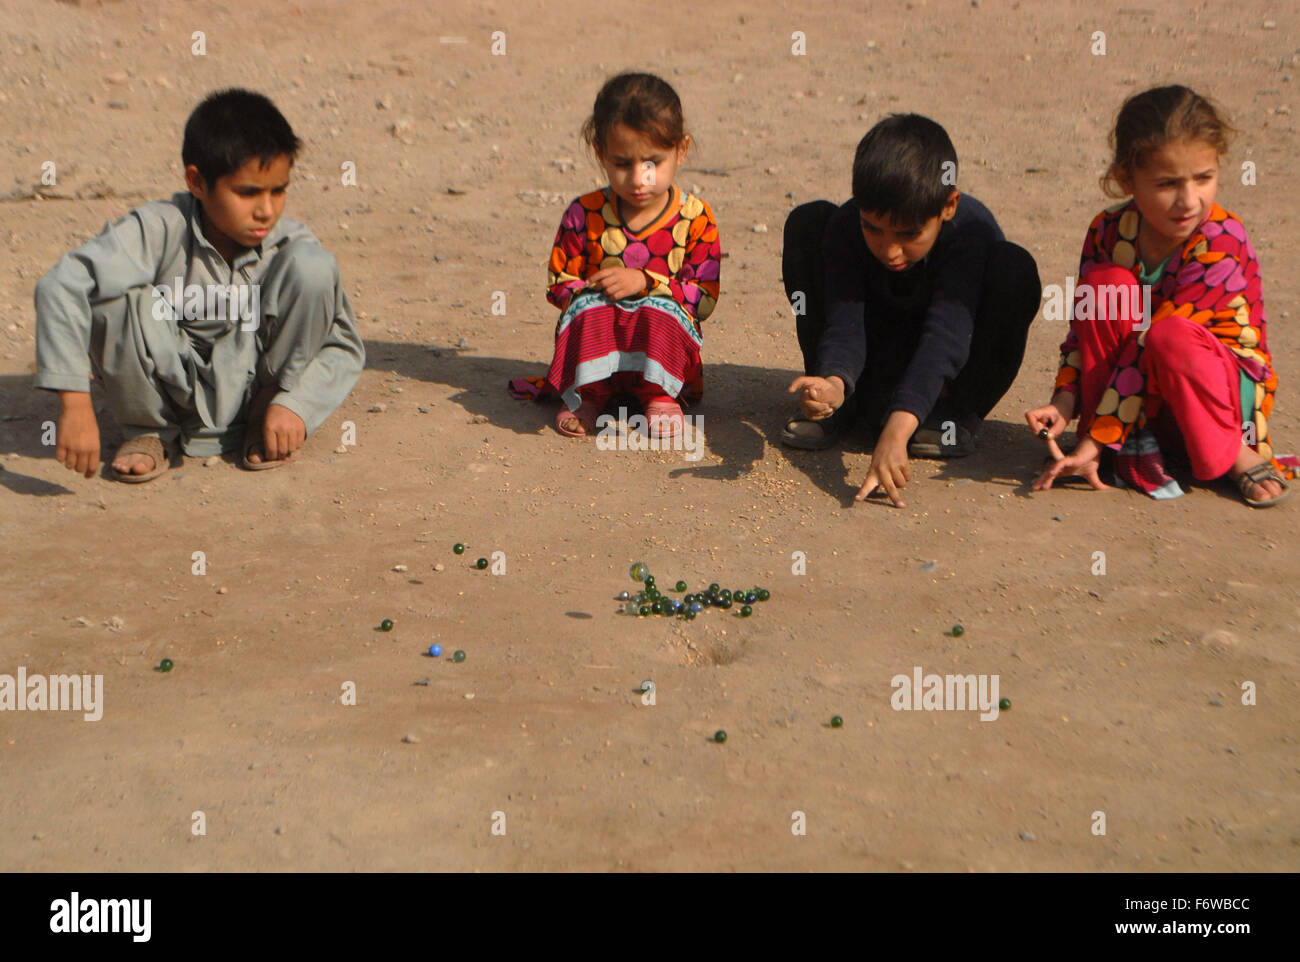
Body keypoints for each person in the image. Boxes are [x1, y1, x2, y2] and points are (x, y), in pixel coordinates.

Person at [35, 87, 365, 483]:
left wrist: (297, 403)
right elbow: (61, 286)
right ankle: (149, 431)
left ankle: (263, 416)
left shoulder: (291, 246)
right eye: (248, 192)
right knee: (112, 296)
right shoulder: (159, 227)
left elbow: (341, 342)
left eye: (278, 190)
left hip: (254, 391)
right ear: (197, 181)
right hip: (168, 389)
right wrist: (74, 405)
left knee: (315, 269)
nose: (267, 209)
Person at [1027, 84, 1291, 506]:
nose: (1189, 201)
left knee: (1170, 335)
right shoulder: (1106, 231)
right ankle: (1125, 442)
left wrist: (1093, 442)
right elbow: (1082, 333)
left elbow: (1149, 342)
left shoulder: (1221, 240)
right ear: (1125, 179)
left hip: (1212, 403)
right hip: (1138, 399)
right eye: (1167, 183)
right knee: (1104, 286)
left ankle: (1234, 454)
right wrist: (1064, 400)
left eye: (1204, 178)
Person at [781, 113, 1040, 507]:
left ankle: (955, 418)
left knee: (1014, 269)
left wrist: (897, 432)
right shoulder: (847, 226)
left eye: (908, 234)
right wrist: (833, 380)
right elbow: (844, 318)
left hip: (941, 375)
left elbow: (947, 336)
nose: (889, 249)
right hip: (875, 362)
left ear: (948, 206)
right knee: (809, 221)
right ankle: (837, 407)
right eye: (873, 228)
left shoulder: (970, 233)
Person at [544, 72, 722, 439]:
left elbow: (704, 299)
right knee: (587, 307)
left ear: (681, 150)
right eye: (623, 163)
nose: (639, 179)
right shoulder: (585, 212)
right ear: (600, 154)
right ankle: (589, 395)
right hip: (597, 354)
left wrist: (646, 283)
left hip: (665, 363)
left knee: (661, 310)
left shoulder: (695, 217)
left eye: (652, 162)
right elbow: (559, 284)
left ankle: (659, 395)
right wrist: (599, 291)